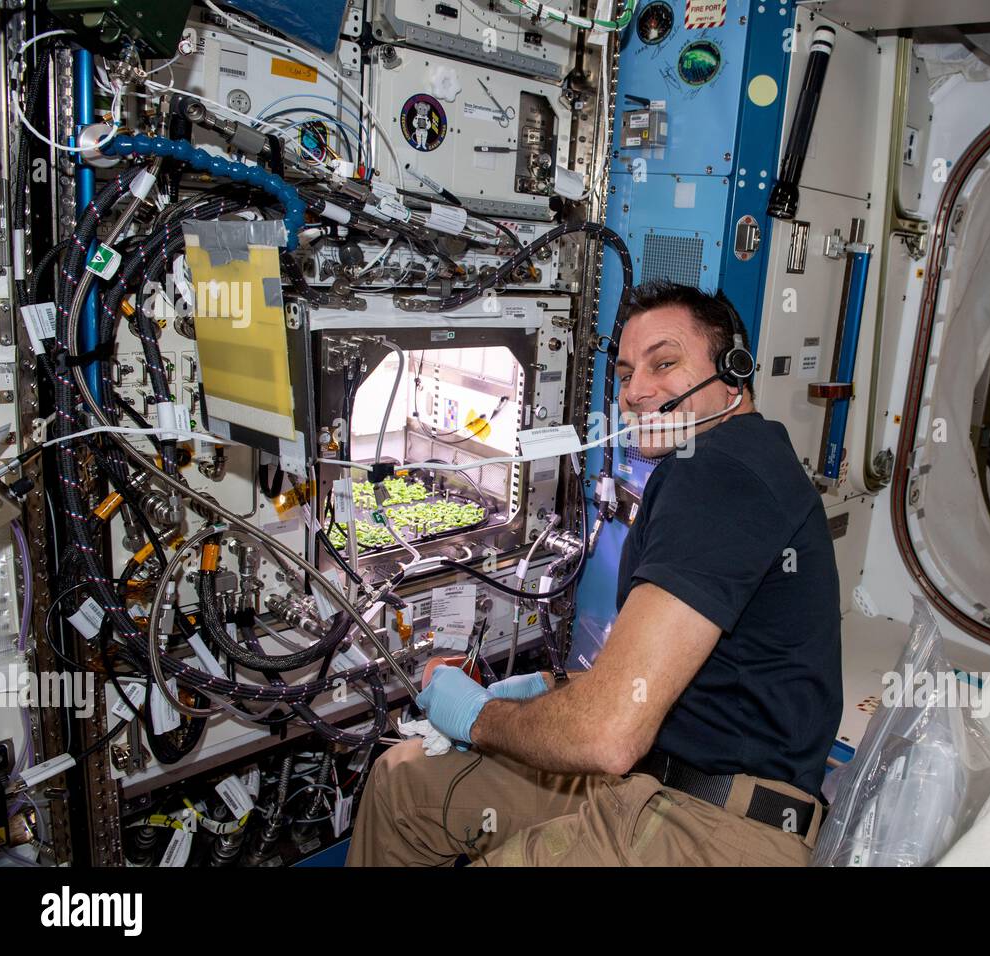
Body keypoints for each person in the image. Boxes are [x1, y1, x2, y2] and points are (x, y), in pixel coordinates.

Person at [347, 281, 843, 866]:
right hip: (653, 779)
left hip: (709, 824)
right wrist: (538, 691)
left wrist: (480, 717)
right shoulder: (727, 459)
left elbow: (608, 735)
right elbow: (650, 683)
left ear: (733, 370)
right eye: (627, 373)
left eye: (665, 363)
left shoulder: (719, 474)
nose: (636, 392)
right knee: (406, 783)